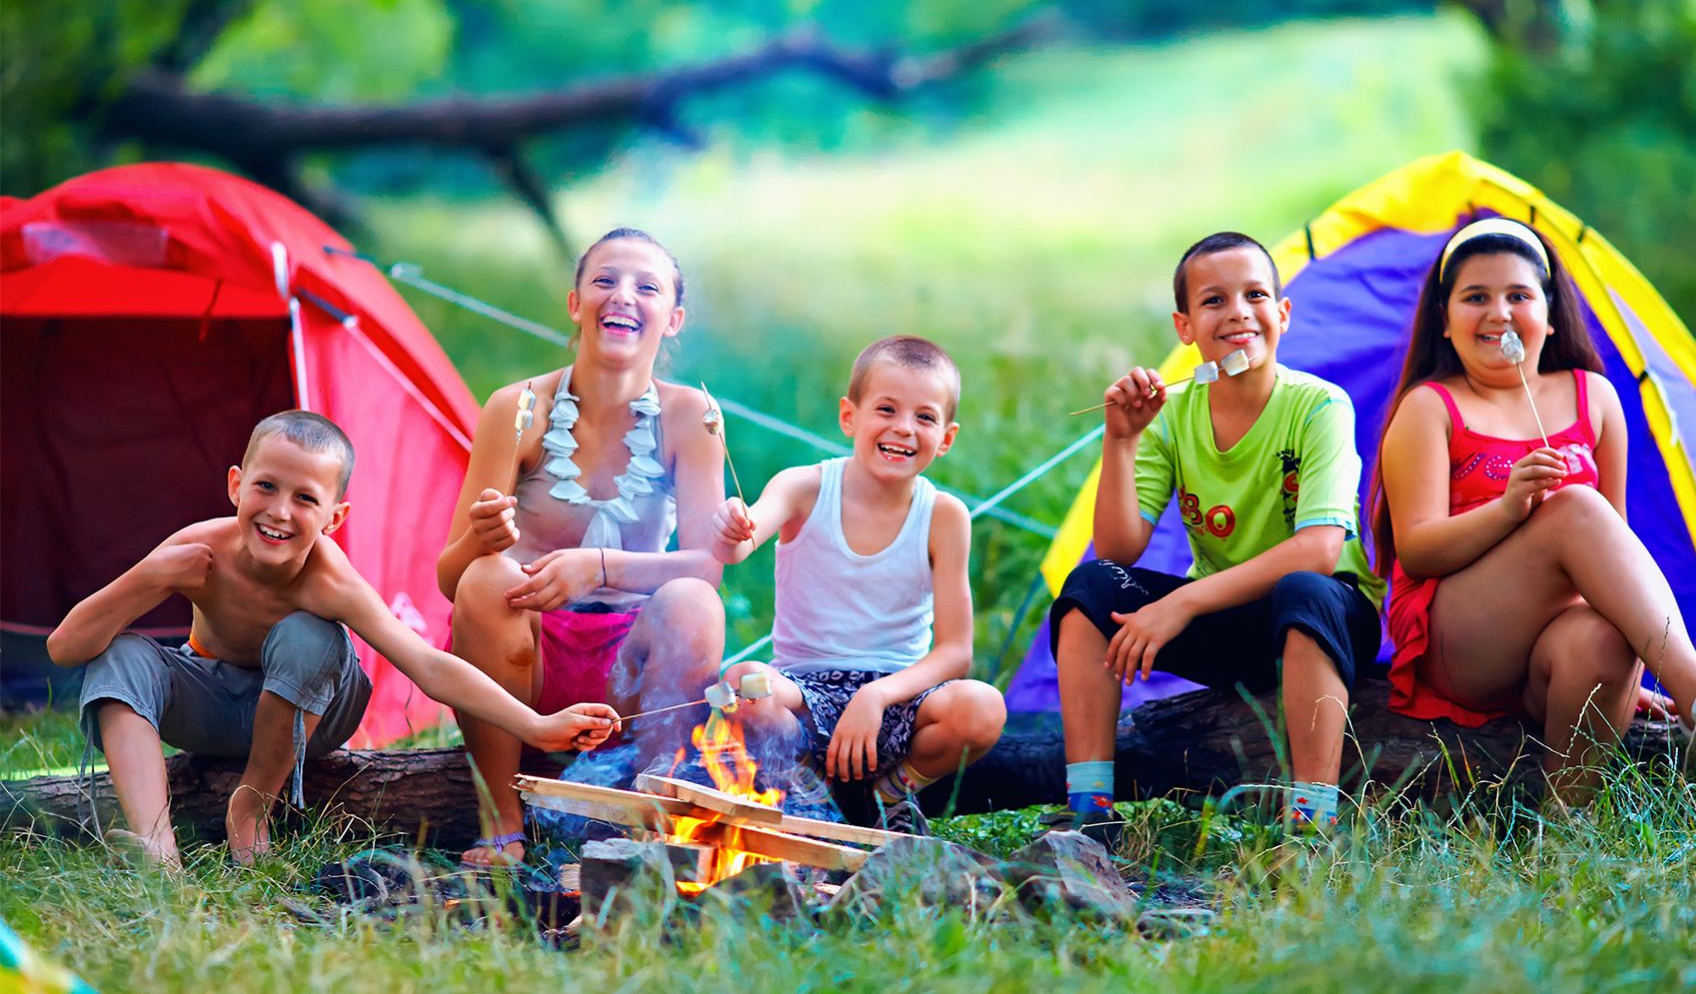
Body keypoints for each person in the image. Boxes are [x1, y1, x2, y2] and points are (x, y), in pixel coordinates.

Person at [49, 411, 619, 869]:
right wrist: (149, 577)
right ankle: (156, 845)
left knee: (310, 635)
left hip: (313, 714)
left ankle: (250, 811)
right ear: (235, 485)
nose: (279, 511)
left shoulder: (329, 578)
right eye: (266, 487)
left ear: (334, 517)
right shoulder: (198, 549)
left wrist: (536, 724)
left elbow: (428, 665)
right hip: (212, 700)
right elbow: (66, 649)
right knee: (122, 652)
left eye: (305, 499)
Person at [1370, 217, 1696, 802]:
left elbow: (1614, 544)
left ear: (1549, 313)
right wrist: (1510, 509)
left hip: (1555, 645)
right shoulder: (1430, 407)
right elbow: (1416, 549)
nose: (1498, 313)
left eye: (1518, 296)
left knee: (1604, 631)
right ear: (1444, 321)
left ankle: (1565, 826)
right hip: (1462, 641)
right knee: (1573, 505)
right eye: (1475, 298)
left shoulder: (1593, 396)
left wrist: (1635, 663)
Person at [1050, 232, 1386, 836]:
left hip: (1327, 617)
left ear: (1282, 313)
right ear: (1185, 327)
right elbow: (1119, 549)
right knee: (1091, 587)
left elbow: (1319, 550)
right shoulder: (1171, 416)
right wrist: (1122, 440)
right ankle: (1091, 812)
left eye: (1255, 294)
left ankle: (1310, 826)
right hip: (1234, 626)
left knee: (1303, 589)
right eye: (1213, 300)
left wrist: (1180, 602)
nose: (1237, 311)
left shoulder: (1320, 407)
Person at [438, 227, 729, 866]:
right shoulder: (517, 407)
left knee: (694, 603)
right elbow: (450, 576)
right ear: (575, 304)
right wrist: (482, 542)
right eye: (604, 280)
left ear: (672, 318)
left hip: (629, 671)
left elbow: (709, 565)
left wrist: (596, 566)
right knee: (486, 579)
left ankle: (650, 815)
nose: (622, 296)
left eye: (646, 286)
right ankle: (502, 822)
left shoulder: (692, 417)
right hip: (527, 665)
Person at [709, 336, 1005, 833]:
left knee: (982, 706)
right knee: (743, 685)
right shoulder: (803, 487)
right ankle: (808, 796)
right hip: (804, 691)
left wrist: (876, 697)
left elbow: (956, 653)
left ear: (947, 437)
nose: (903, 429)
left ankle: (884, 800)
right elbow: (739, 544)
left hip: (897, 698)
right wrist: (731, 527)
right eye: (886, 409)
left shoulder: (945, 516)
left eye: (925, 418)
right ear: (850, 416)